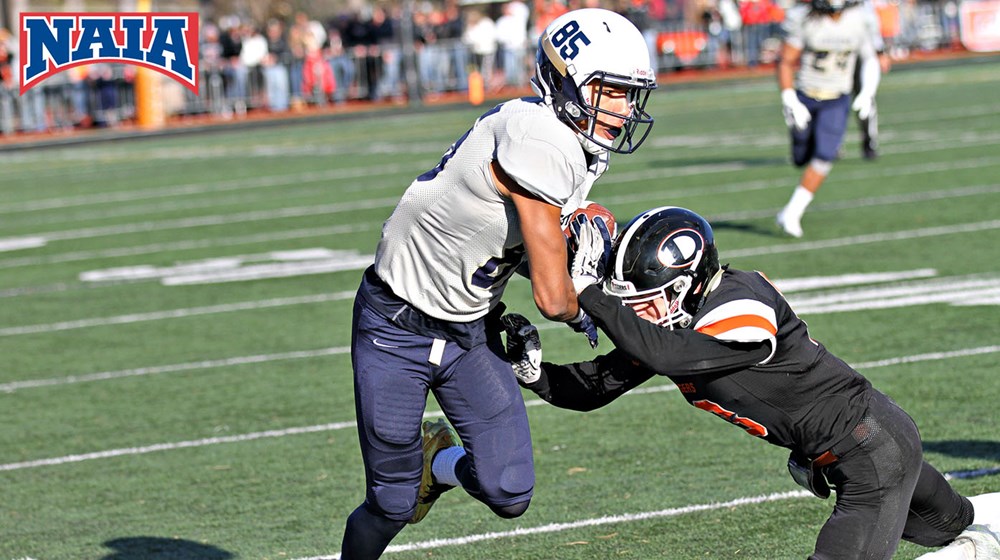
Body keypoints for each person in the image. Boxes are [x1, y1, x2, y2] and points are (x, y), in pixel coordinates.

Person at [500, 206, 1000, 560]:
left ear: (685, 284)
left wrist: (587, 291)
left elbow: (662, 352)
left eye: (644, 298)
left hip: (871, 451)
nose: (635, 312)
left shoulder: (741, 304)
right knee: (959, 527)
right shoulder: (680, 327)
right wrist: (535, 375)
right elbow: (596, 386)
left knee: (958, 536)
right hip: (849, 451)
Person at [339, 9, 657, 559]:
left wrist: (582, 251)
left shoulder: (568, 141)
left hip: (468, 326)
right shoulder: (540, 138)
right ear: (568, 82)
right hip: (396, 326)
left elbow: (533, 251)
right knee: (389, 506)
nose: (624, 109)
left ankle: (436, 467)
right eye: (612, 92)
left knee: (509, 491)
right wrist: (600, 310)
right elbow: (554, 298)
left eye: (631, 95)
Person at [775, 0, 881, 238]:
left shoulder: (859, 18)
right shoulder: (805, 18)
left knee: (825, 156)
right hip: (806, 96)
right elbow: (786, 60)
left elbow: (870, 58)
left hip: (837, 97)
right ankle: (801, 155)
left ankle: (792, 212)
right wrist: (789, 98)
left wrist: (867, 91)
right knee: (801, 157)